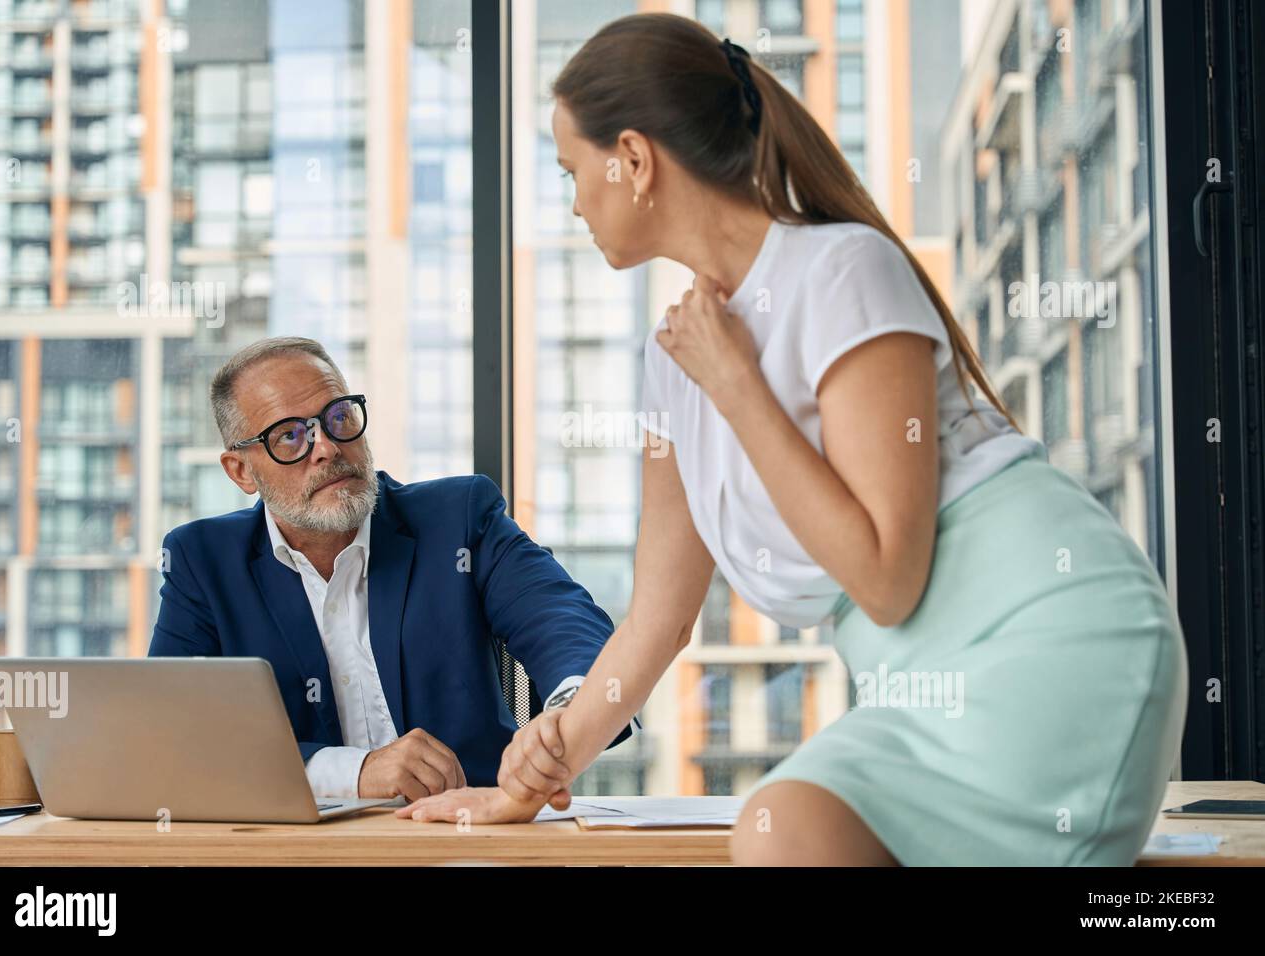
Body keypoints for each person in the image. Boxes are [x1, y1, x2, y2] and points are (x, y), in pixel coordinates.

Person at [397, 13, 1187, 866]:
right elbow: (660, 619)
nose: (574, 200)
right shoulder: (674, 358)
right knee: (785, 828)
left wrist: (738, 384)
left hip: (1050, 640)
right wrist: (544, 764)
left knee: (781, 829)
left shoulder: (843, 270)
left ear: (633, 158)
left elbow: (886, 578)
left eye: (572, 171)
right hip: (913, 697)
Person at [150, 336, 632, 803]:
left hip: (466, 847)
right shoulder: (203, 562)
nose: (328, 448)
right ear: (240, 471)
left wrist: (570, 717)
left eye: (339, 417)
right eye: (290, 436)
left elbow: (560, 618)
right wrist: (353, 772)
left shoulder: (457, 519)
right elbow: (170, 736)